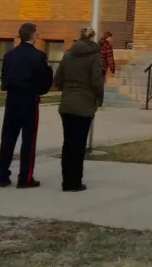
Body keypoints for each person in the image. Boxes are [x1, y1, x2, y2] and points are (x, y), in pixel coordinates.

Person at [0, 23, 53, 189]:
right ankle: (25, 177)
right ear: (33, 35)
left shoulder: (9, 54)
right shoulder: (38, 56)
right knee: (28, 139)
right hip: (29, 99)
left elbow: (4, 78)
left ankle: (2, 174)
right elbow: (44, 81)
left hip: (12, 98)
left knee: (7, 137)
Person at [54, 26, 104, 192]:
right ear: (92, 38)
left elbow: (58, 78)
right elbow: (96, 81)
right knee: (79, 144)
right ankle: (75, 181)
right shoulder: (94, 56)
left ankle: (66, 181)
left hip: (67, 102)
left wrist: (67, 90)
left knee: (68, 143)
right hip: (84, 103)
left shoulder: (68, 54)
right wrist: (99, 97)